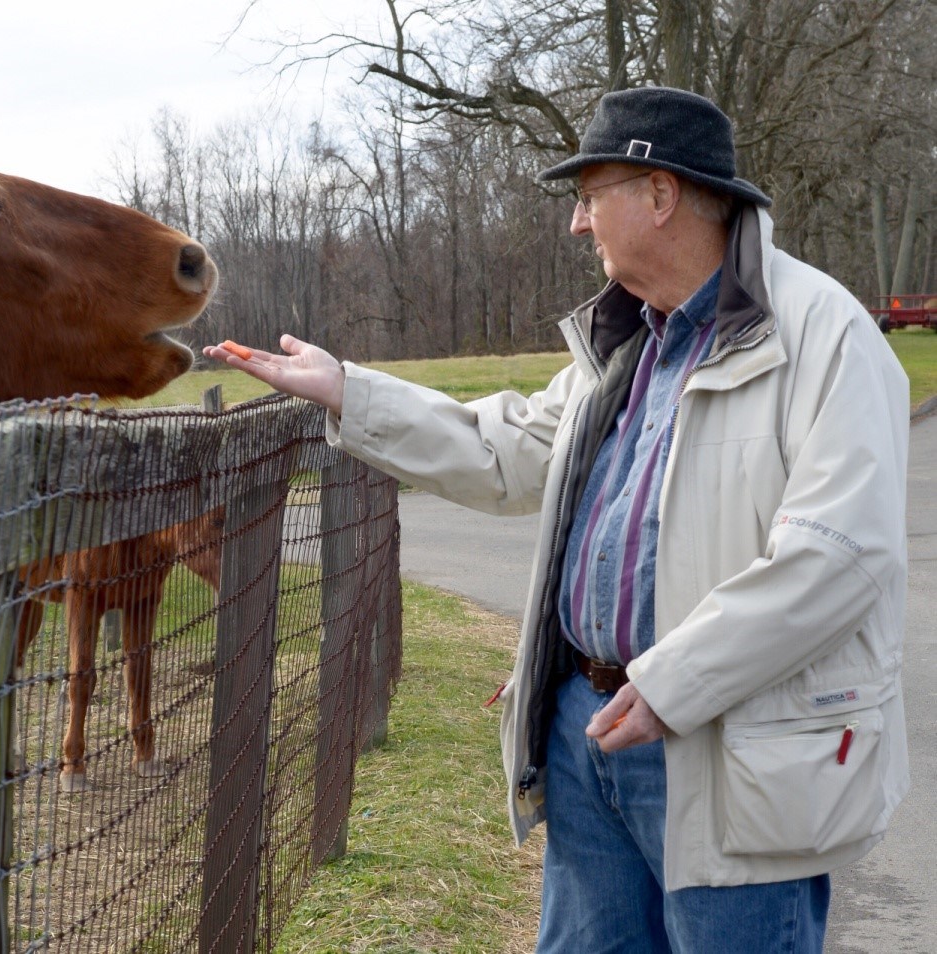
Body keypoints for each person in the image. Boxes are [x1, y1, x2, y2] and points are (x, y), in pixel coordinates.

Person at [205, 86, 909, 952]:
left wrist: (670, 685)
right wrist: (350, 390)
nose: (577, 225)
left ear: (659, 195)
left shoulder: (824, 337)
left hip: (730, 755)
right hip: (588, 737)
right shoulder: (628, 344)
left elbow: (838, 556)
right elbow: (508, 448)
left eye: (589, 196)